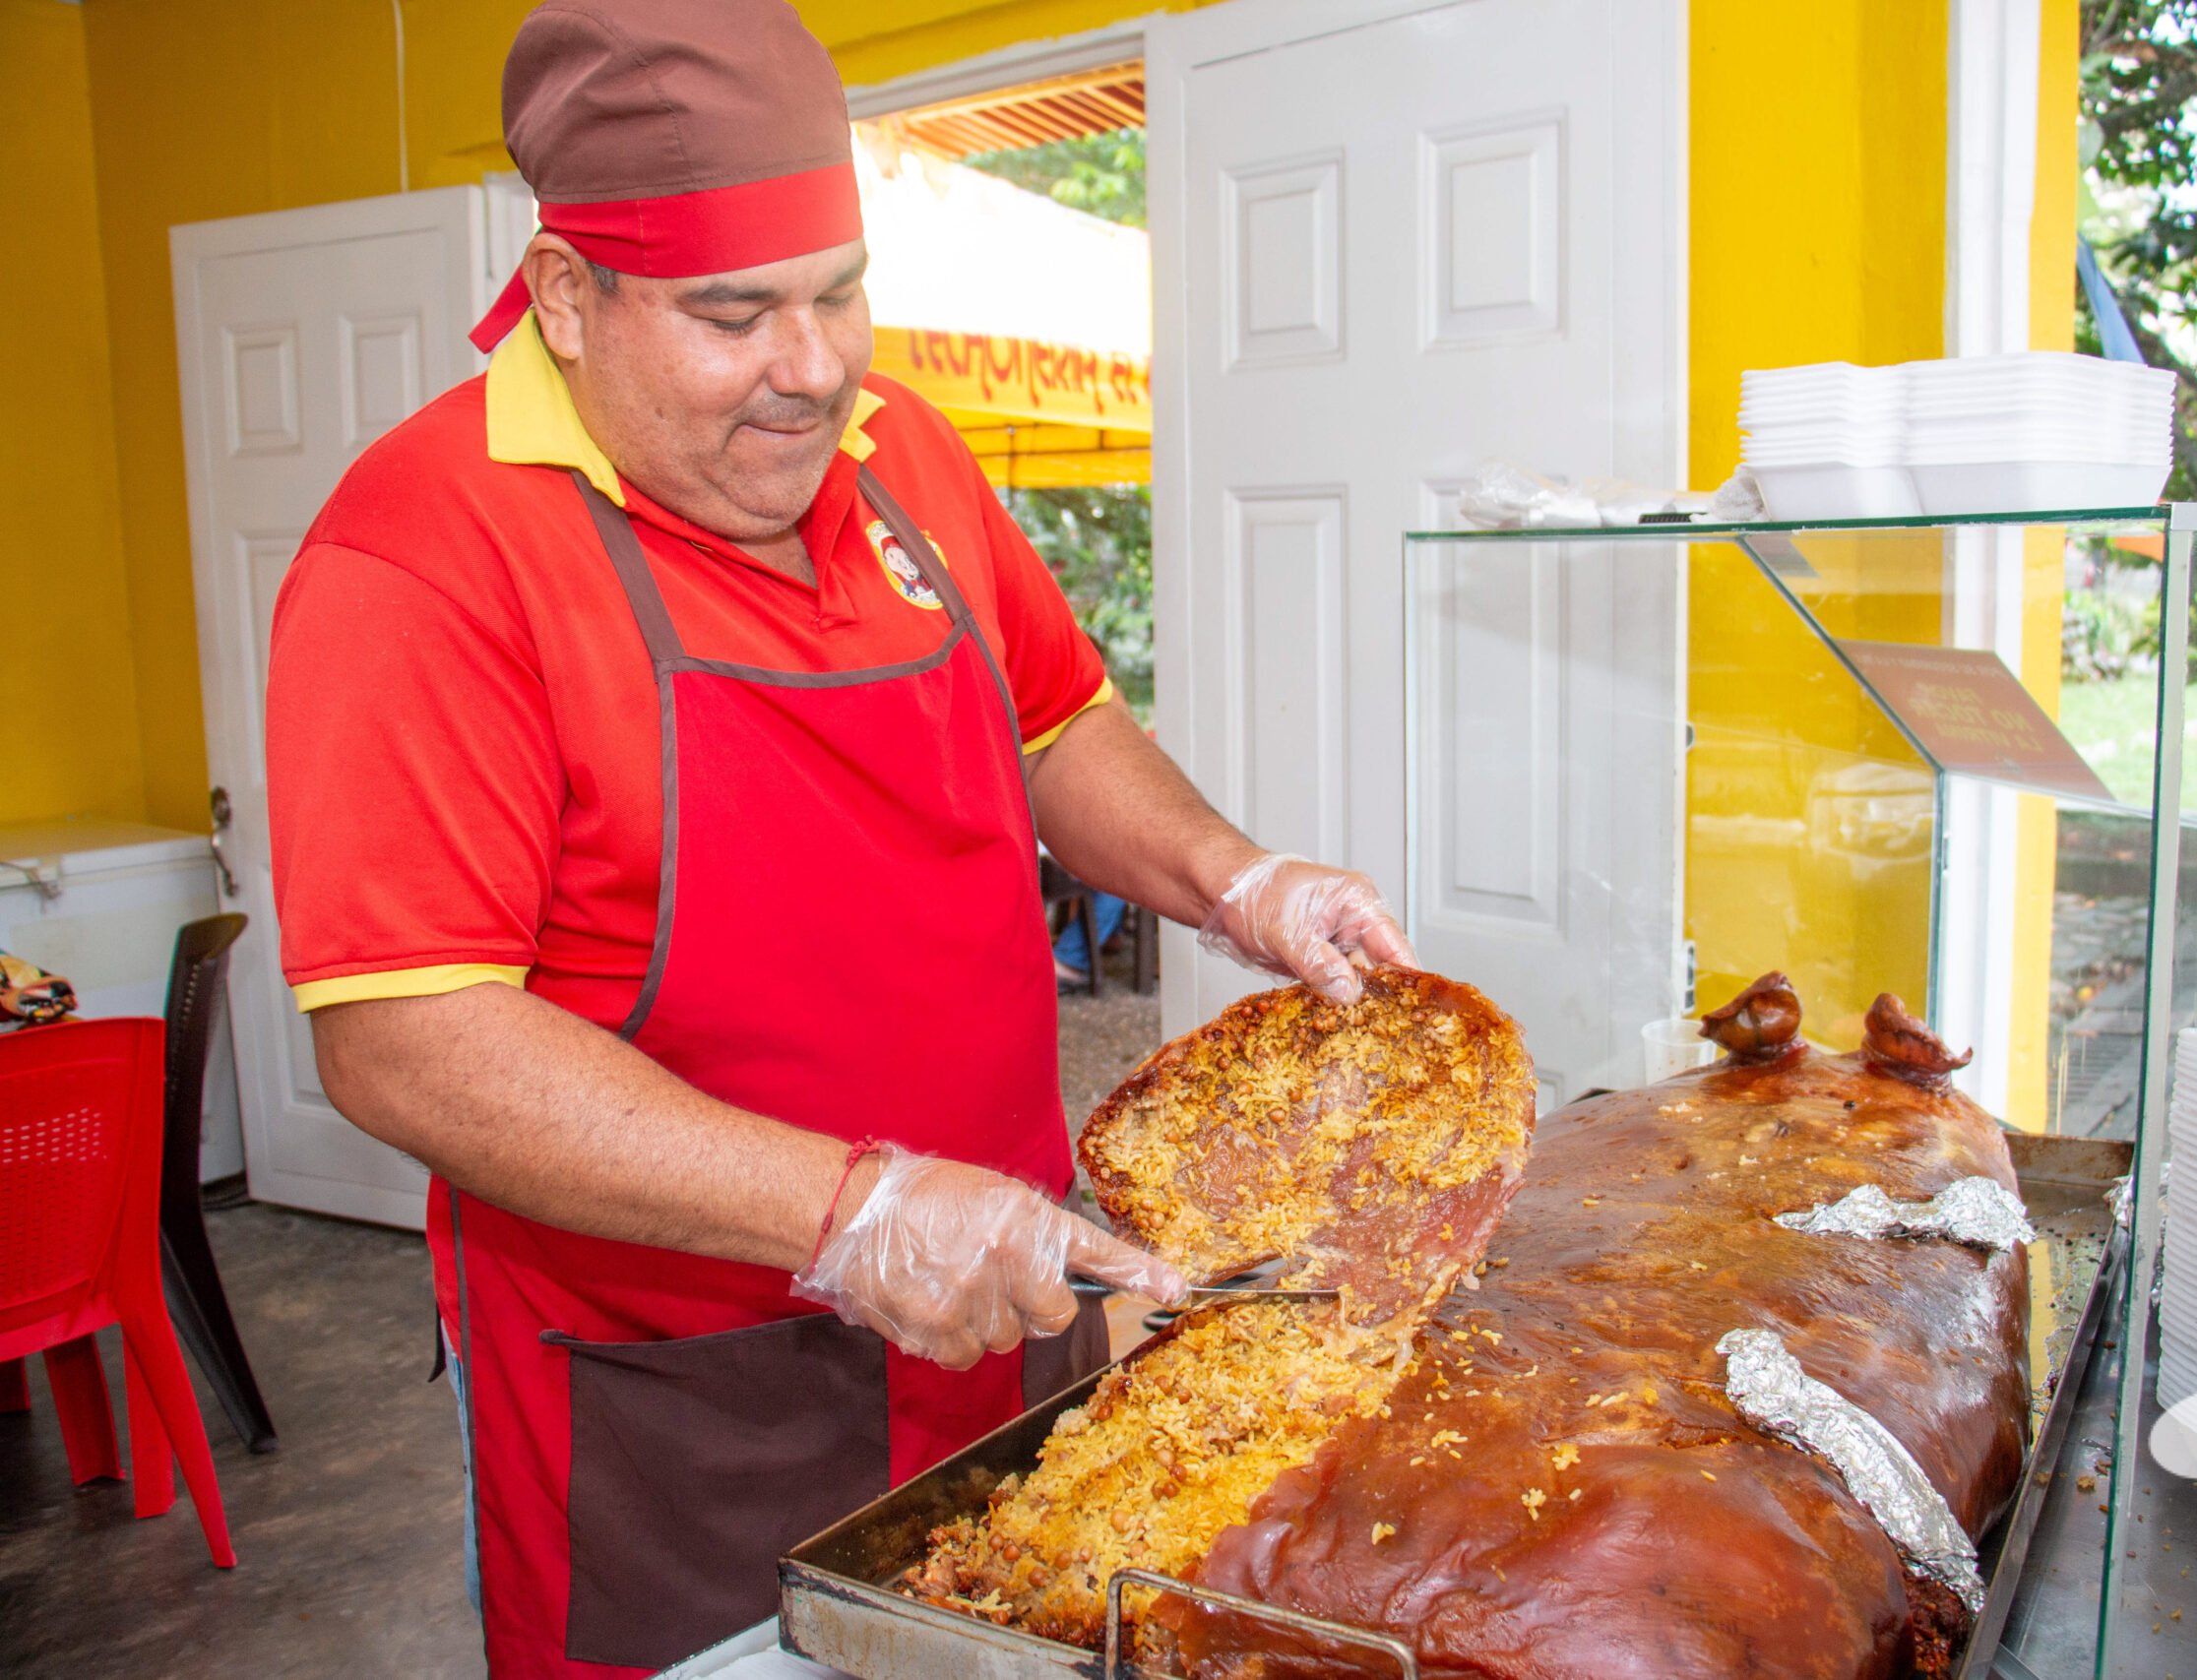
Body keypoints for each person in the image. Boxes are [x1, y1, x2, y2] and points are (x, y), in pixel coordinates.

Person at [260, 5, 1413, 1675]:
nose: (812, 369)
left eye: (838, 292)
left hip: (1006, 1308)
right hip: (678, 1390)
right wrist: (850, 1216)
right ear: (568, 296)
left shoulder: (903, 462)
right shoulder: (426, 555)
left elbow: (1057, 725)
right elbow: (401, 1038)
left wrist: (1238, 880)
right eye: (734, 315)